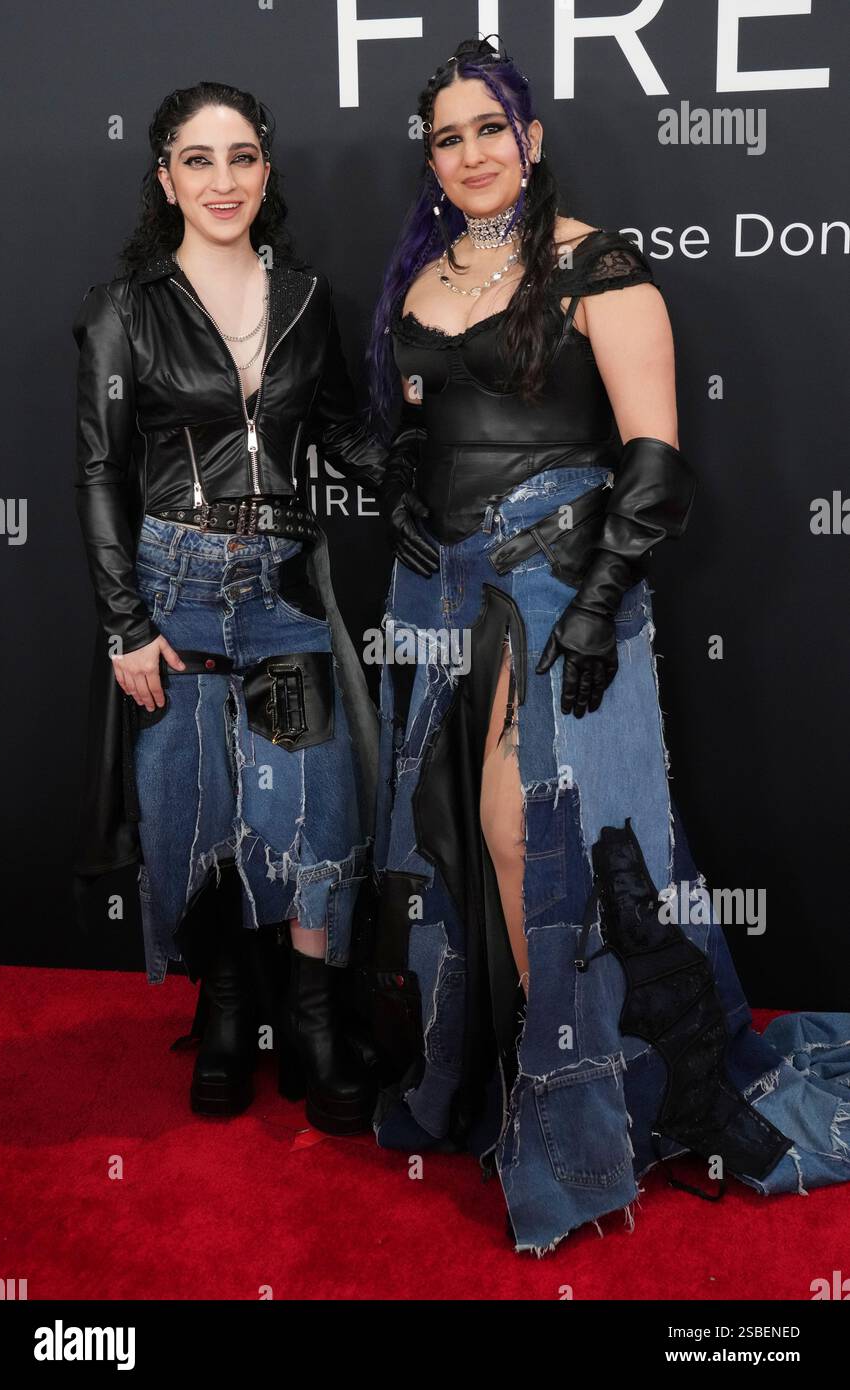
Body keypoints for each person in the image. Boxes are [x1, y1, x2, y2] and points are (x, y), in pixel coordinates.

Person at [365, 36, 850, 1253]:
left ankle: (598, 1111)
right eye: (447, 136)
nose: (471, 153)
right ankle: (518, 1083)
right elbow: (430, 432)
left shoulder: (598, 265)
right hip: (440, 595)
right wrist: (399, 483)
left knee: (540, 836)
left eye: (491, 128)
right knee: (446, 840)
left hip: (567, 581)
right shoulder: (418, 281)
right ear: (427, 159)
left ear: (528, 138)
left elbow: (653, 461)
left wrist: (593, 603)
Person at [72, 82, 387, 1134]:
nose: (221, 179)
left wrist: (452, 444)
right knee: (196, 813)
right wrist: (125, 620)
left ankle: (308, 1018)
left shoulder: (303, 297)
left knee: (314, 813)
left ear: (266, 173)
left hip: (287, 583)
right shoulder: (127, 309)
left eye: (241, 157)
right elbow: (100, 473)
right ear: (163, 177)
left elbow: (342, 433)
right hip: (177, 582)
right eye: (197, 159)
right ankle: (226, 1008)